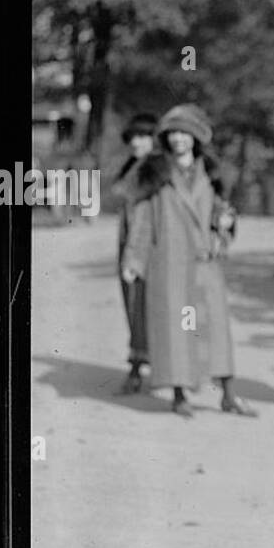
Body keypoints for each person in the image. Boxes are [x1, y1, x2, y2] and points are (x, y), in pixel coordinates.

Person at [121, 103, 257, 420]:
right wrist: (134, 260)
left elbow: (222, 212)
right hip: (169, 265)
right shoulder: (154, 173)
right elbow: (142, 223)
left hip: (204, 264)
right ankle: (180, 394)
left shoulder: (210, 172)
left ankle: (227, 393)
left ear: (196, 138)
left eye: (186, 133)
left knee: (216, 330)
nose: (179, 139)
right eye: (173, 134)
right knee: (176, 331)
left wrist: (222, 225)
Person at [111, 112, 157, 393]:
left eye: (143, 136)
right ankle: (139, 364)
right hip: (128, 242)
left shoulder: (155, 170)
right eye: (133, 138)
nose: (137, 143)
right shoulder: (134, 167)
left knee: (143, 305)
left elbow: (143, 218)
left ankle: (139, 367)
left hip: (146, 246)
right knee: (133, 305)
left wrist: (134, 255)